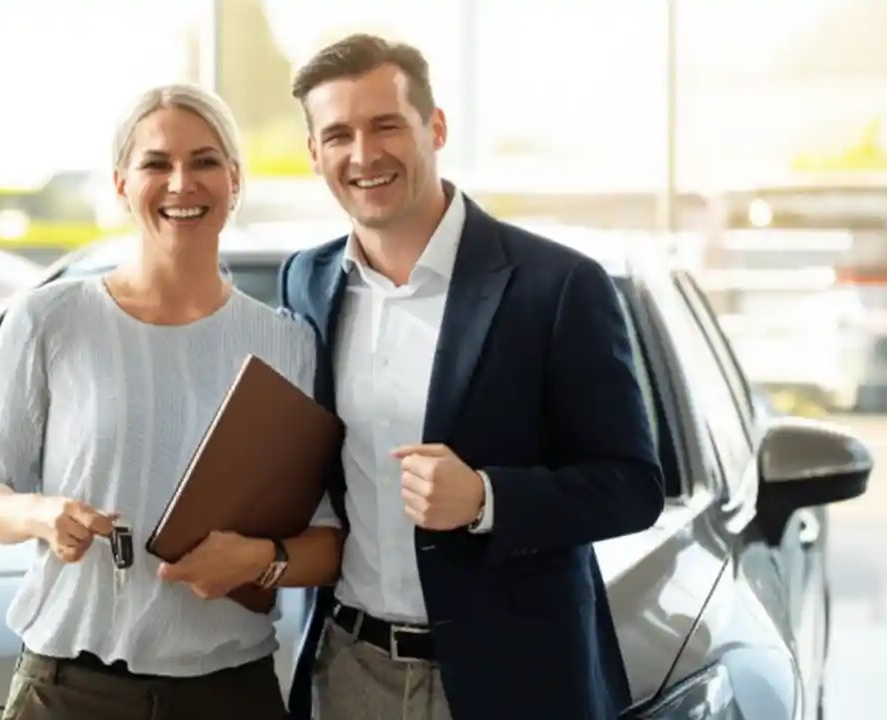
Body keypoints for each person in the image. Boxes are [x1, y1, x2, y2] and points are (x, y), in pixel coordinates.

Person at [278, 34, 665, 720]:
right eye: (338, 134)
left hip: (518, 683)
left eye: (386, 125)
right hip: (349, 675)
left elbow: (633, 488)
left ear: (436, 127)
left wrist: (487, 499)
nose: (363, 155)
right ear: (314, 153)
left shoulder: (559, 286)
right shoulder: (305, 281)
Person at [0, 83, 343, 720]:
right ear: (120, 184)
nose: (181, 183)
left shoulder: (287, 344)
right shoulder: (50, 319)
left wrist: (255, 560)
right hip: (68, 692)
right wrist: (40, 514)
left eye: (205, 162)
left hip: (229, 694)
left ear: (235, 180)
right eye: (156, 163)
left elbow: (327, 543)